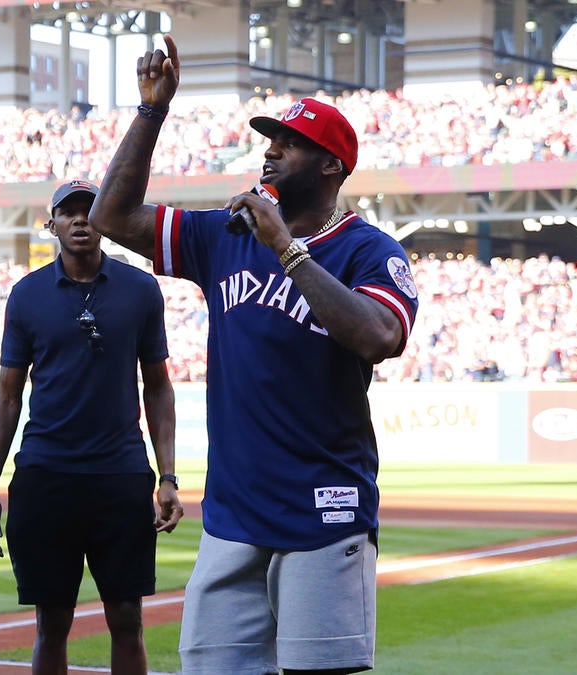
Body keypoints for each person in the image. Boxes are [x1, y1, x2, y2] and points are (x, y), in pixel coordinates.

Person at [89, 36, 420, 674]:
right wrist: (152, 112)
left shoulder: (371, 251)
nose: (269, 150)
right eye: (269, 139)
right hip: (233, 514)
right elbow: (112, 214)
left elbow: (380, 336)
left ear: (331, 166)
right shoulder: (224, 235)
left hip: (326, 510)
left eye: (288, 143)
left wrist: (287, 250)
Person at [0, 179, 183, 674]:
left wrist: (167, 476)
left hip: (122, 476)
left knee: (127, 616)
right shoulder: (26, 296)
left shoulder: (140, 289)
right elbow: (7, 395)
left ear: (106, 220)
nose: (80, 220)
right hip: (46, 476)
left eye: (89, 211)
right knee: (52, 620)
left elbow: (158, 385)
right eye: (67, 212)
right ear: (51, 225)